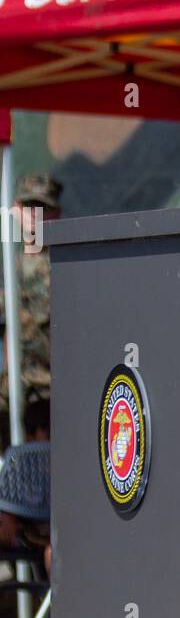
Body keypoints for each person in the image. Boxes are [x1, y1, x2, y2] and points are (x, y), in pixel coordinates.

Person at [0, 173, 62, 447]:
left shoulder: (66, 269)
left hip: (53, 395)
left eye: (43, 208)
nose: (34, 216)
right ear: (15, 209)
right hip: (14, 394)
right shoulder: (10, 271)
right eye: (28, 207)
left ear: (56, 213)